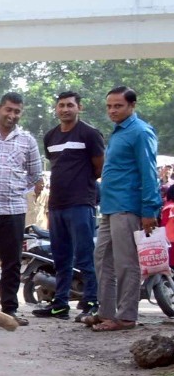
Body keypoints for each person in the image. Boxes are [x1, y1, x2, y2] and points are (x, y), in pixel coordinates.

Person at [89, 86, 160, 331]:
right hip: (109, 206)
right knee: (102, 258)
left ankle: (127, 317)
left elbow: (149, 171)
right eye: (109, 106)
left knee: (126, 263)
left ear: (132, 105)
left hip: (128, 206)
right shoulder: (119, 132)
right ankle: (105, 312)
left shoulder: (140, 132)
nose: (112, 110)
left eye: (118, 106)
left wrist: (149, 210)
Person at [0, 93, 43, 326]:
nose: (12, 115)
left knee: (11, 261)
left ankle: (9, 309)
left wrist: (15, 187)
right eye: (8, 110)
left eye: (17, 111)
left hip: (13, 209)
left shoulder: (27, 140)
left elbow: (35, 175)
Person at [37, 91, 104, 320]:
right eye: (61, 105)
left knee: (85, 256)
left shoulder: (90, 134)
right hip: (56, 205)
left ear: (79, 108)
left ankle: (92, 301)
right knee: (61, 257)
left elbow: (99, 168)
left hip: (81, 204)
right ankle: (60, 303)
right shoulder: (50, 137)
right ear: (56, 109)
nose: (65, 109)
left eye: (70, 105)